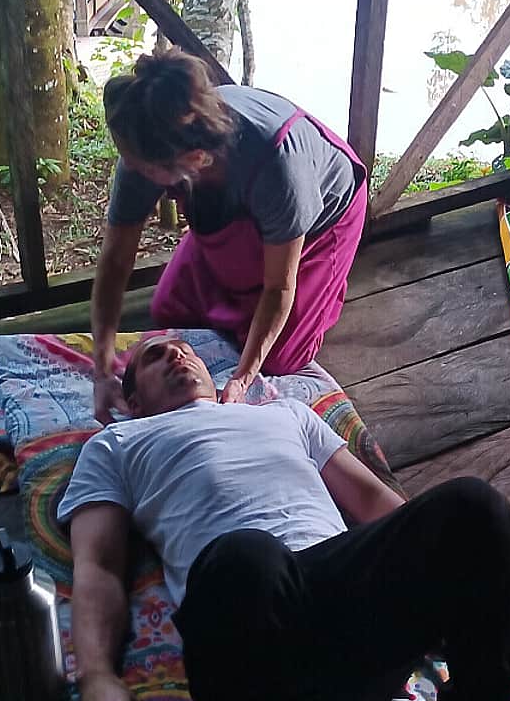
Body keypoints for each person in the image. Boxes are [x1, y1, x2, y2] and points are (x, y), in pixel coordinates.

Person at [59, 335, 510, 701]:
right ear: (135, 401)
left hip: (350, 601)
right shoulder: (117, 443)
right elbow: (98, 568)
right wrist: (97, 677)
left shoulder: (286, 413)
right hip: (249, 631)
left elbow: (374, 503)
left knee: (474, 505)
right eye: (155, 356)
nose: (177, 355)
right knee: (247, 559)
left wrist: (444, 573)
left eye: (183, 348)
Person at [91, 48, 369, 423]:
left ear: (192, 162)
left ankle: (319, 289)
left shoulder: (276, 162)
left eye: (145, 171)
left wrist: (242, 378)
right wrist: (103, 368)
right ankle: (238, 275)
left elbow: (278, 289)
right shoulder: (147, 144)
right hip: (229, 210)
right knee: (169, 311)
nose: (133, 174)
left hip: (323, 217)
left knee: (280, 356)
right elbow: (114, 263)